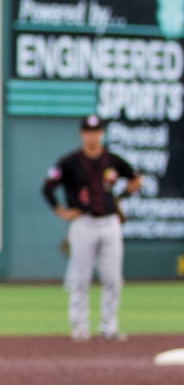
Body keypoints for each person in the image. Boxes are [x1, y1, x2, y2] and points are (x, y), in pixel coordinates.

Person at [42, 114, 142, 342]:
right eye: (88, 132)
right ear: (82, 134)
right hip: (83, 222)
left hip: (109, 222)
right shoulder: (69, 162)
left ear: (102, 134)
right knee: (80, 277)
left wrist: (120, 197)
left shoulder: (113, 160)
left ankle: (109, 326)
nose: (93, 136)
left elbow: (136, 180)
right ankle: (80, 326)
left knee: (113, 278)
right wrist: (62, 212)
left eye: (96, 132)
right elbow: (47, 187)